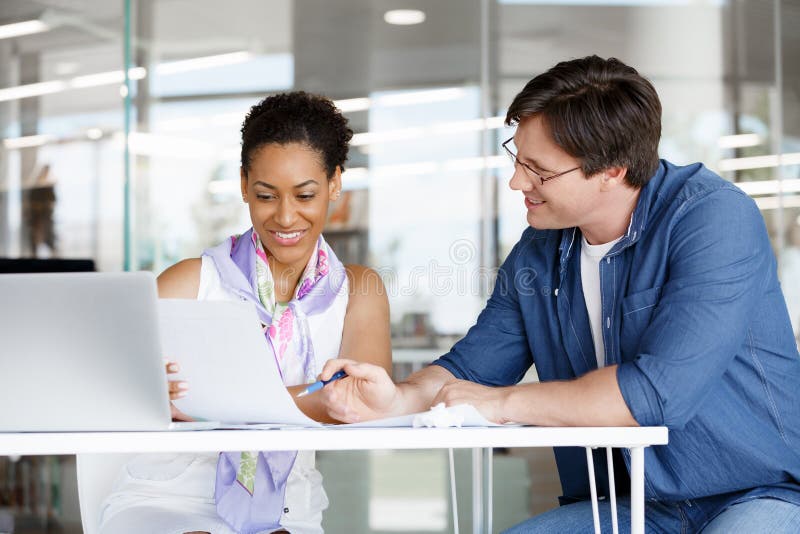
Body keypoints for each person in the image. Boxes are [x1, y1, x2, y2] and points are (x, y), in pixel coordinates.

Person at [319, 56, 800, 533]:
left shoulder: (712, 219)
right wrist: (396, 400)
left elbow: (655, 395)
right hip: (628, 504)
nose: (517, 182)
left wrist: (502, 403)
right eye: (517, 158)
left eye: (539, 171)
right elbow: (469, 371)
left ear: (612, 168)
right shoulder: (539, 248)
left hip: (753, 492)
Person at [99, 92, 391, 534]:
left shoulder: (359, 292)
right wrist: (146, 395)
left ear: (335, 183)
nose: (286, 216)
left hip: (289, 508)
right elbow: (107, 388)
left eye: (305, 194)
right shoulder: (190, 282)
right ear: (243, 185)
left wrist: (207, 404)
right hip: (166, 496)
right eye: (266, 195)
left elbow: (360, 402)